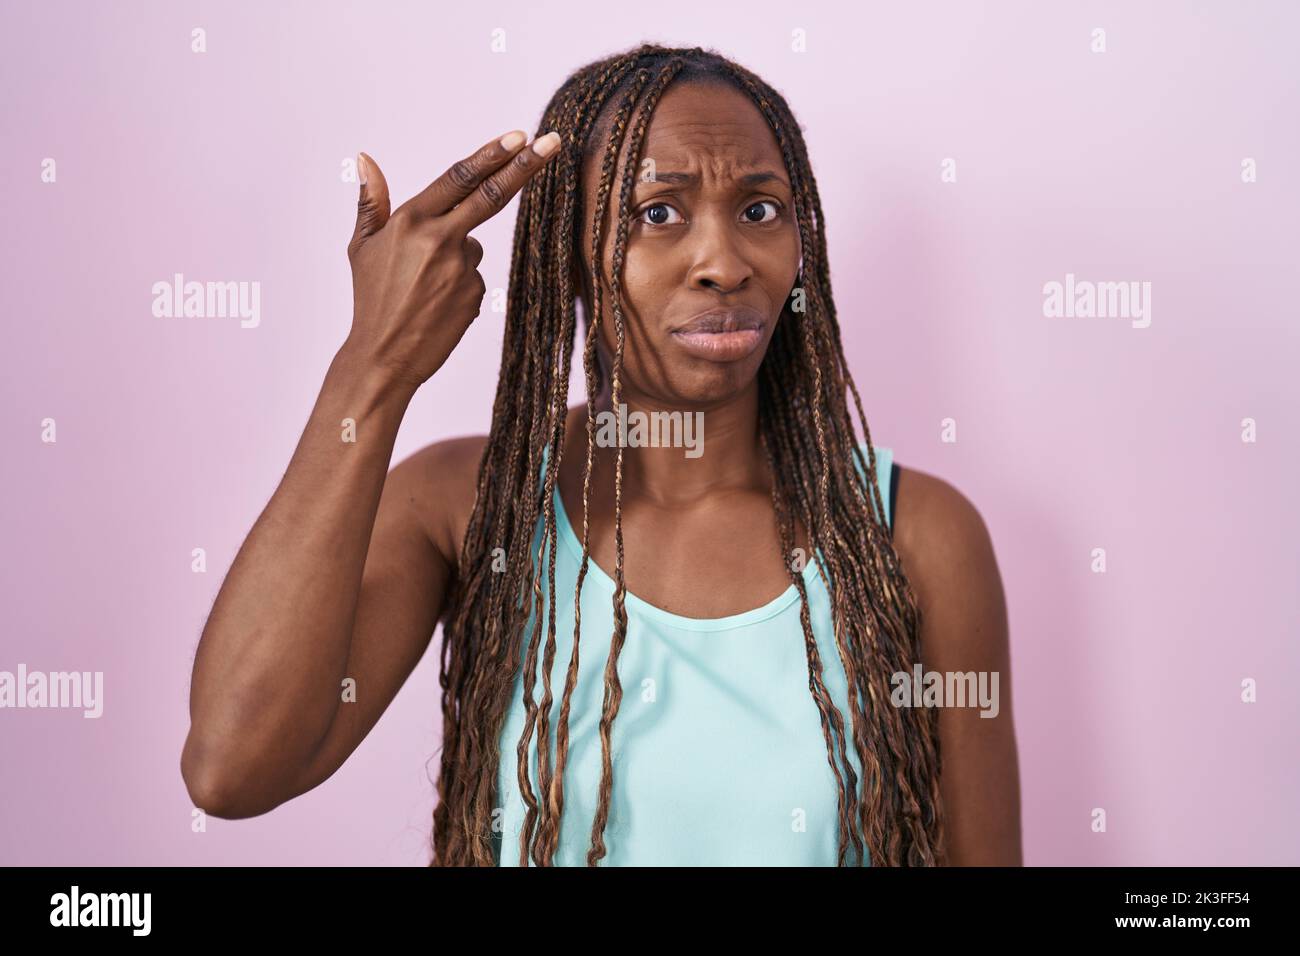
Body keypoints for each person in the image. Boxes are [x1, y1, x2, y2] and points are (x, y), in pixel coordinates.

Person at [182, 43, 1021, 867]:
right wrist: (372, 367)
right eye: (658, 212)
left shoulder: (915, 536)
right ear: (566, 253)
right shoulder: (467, 505)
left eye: (761, 210)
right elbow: (233, 769)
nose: (724, 264)